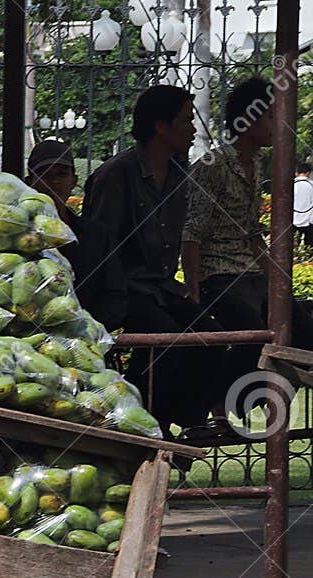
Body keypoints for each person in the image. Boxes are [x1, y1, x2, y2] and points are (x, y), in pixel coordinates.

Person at [82, 84, 229, 435]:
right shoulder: (116, 175)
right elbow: (99, 250)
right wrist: (114, 301)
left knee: (213, 337)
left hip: (159, 287)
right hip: (121, 288)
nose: (194, 129)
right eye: (186, 121)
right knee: (166, 340)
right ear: (161, 127)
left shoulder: (179, 176)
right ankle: (139, 418)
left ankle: (182, 418)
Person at [184, 78, 313, 364]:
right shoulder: (214, 166)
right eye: (270, 116)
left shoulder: (254, 165)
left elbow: (253, 235)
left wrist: (280, 281)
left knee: (303, 329)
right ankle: (221, 400)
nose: (276, 124)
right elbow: (192, 232)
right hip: (218, 276)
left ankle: (270, 394)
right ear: (249, 119)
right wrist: (193, 290)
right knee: (251, 337)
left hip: (251, 275)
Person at [27, 137, 125, 329]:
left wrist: (84, 329)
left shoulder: (97, 235)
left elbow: (116, 295)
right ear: (30, 182)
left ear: (73, 181)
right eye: (45, 175)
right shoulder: (19, 236)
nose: (54, 182)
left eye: (61, 175)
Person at [293, 160, 313, 258]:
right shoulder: (311, 185)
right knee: (309, 242)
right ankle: (307, 257)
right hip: (309, 219)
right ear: (308, 173)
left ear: (297, 172)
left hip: (292, 218)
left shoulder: (290, 185)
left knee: (292, 240)